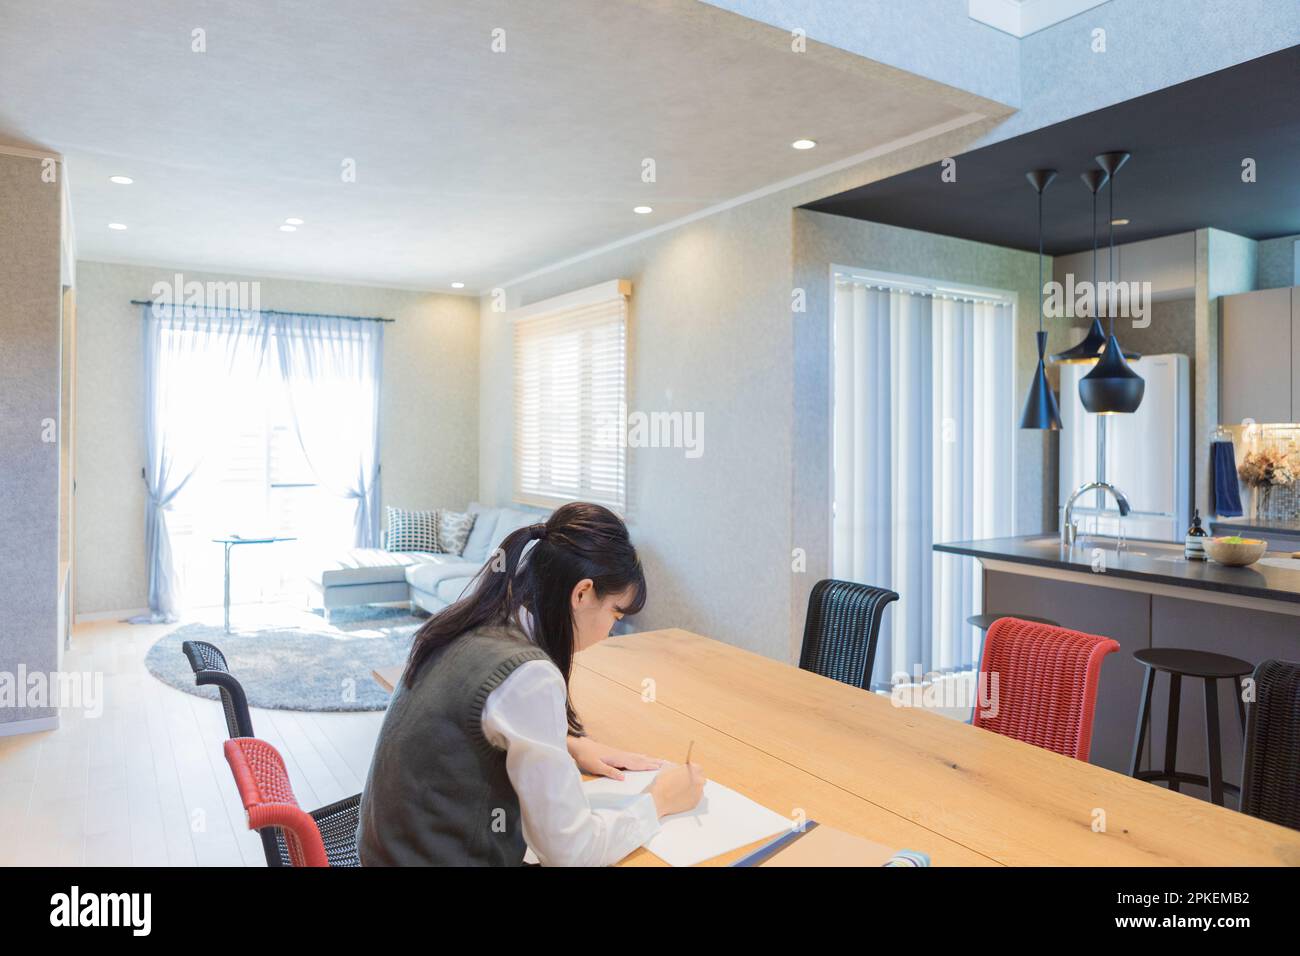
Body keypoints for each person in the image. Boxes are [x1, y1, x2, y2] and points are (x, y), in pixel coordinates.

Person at [357, 501, 706, 865]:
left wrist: (566, 744)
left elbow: (474, 722)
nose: (610, 631)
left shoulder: (472, 622)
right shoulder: (528, 675)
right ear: (582, 593)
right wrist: (660, 801)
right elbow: (572, 854)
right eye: (615, 614)